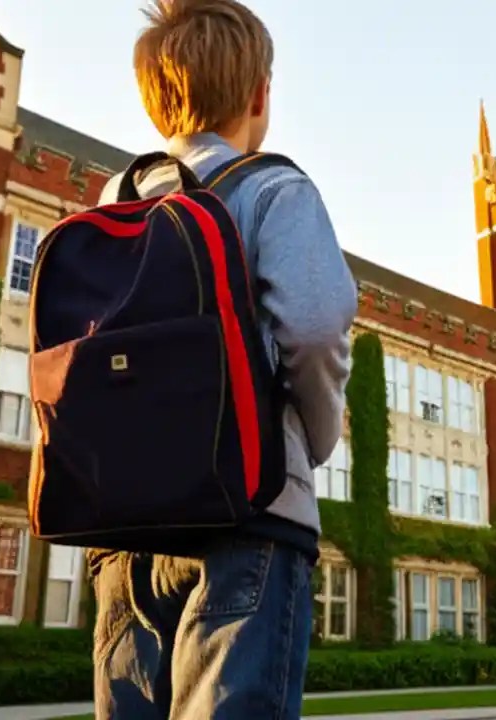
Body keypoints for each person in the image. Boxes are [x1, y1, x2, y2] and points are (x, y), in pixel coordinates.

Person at [88, 1, 357, 718]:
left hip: (123, 536)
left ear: (155, 99)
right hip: (249, 518)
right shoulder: (275, 190)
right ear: (259, 95)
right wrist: (314, 439)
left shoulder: (110, 206)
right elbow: (316, 325)